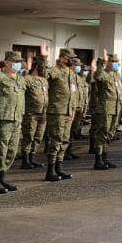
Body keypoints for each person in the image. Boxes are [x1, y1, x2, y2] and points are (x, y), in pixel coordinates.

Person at [0, 48, 27, 194]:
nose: (18, 64)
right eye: (15, 62)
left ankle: (2, 178)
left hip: (16, 119)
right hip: (2, 120)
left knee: (11, 151)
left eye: (19, 62)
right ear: (7, 63)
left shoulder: (20, 79)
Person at [44, 45, 77, 182]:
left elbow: (74, 93)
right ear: (63, 58)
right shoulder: (55, 71)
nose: (72, 61)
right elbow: (44, 72)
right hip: (57, 112)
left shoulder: (71, 73)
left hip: (69, 111)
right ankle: (50, 170)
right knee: (55, 141)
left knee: (64, 140)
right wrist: (44, 58)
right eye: (70, 59)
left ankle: (59, 167)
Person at [90, 50, 122, 170]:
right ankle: (98, 160)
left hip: (115, 109)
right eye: (114, 62)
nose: (116, 64)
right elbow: (97, 76)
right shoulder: (104, 74)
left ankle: (105, 158)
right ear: (108, 63)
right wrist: (102, 63)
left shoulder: (116, 75)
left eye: (117, 62)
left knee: (109, 135)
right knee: (102, 134)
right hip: (105, 109)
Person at [20, 57, 48, 169]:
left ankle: (32, 157)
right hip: (31, 113)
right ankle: (25, 160)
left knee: (38, 137)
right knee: (29, 136)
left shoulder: (44, 80)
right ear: (37, 66)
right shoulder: (27, 79)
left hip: (43, 113)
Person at [64, 57, 85, 160]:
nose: (78, 67)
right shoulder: (67, 77)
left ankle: (69, 150)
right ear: (71, 65)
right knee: (66, 132)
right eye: (77, 65)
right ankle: (63, 152)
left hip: (78, 109)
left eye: (79, 66)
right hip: (69, 109)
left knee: (72, 132)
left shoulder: (79, 78)